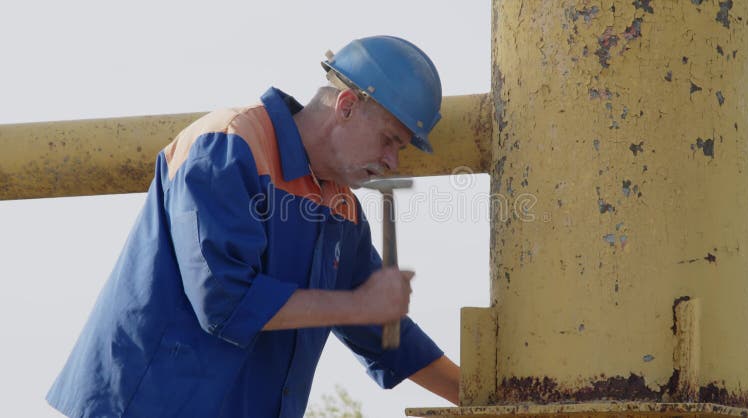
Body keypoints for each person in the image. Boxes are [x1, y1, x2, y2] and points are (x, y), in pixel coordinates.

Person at [46, 36, 460, 417]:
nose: (393, 163)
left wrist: (475, 395)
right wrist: (358, 305)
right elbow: (224, 300)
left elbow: (383, 329)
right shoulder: (227, 145)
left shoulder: (341, 208)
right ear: (346, 106)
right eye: (390, 140)